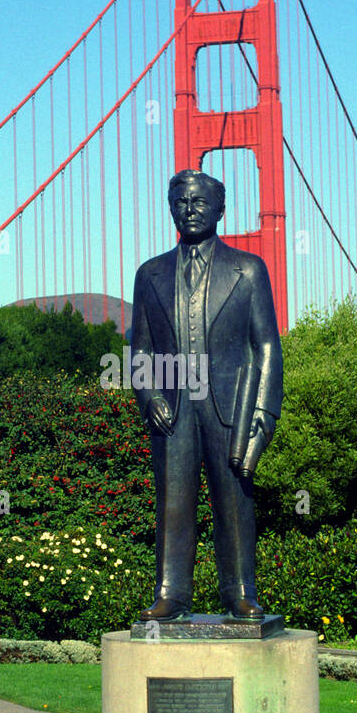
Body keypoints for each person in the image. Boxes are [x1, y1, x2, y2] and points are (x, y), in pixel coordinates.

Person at [130, 168, 283, 620]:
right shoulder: (149, 274)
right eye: (180, 201)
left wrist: (262, 413)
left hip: (228, 405)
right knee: (173, 501)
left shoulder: (249, 270)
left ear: (220, 209)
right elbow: (139, 346)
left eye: (199, 201)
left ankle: (239, 592)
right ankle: (170, 593)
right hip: (173, 407)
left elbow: (268, 344)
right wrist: (150, 394)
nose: (189, 209)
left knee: (233, 501)